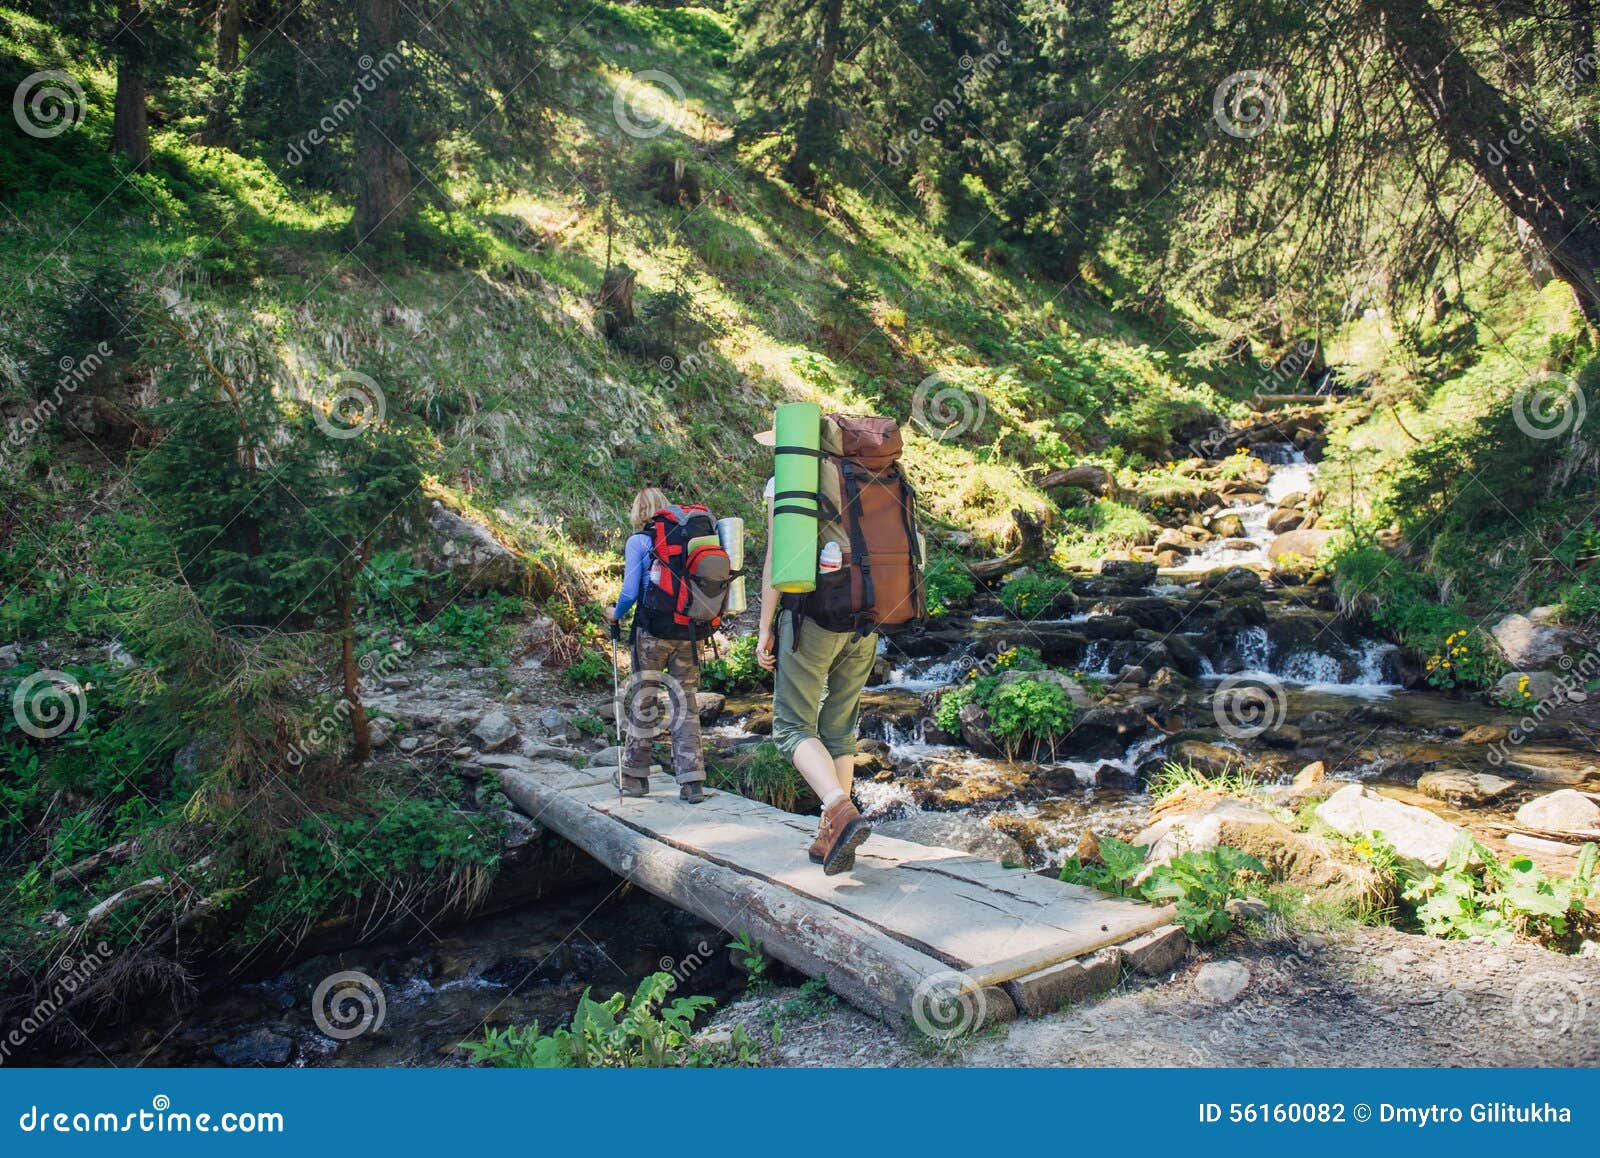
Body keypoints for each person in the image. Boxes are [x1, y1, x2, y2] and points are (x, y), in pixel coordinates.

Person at [754, 433, 876, 875]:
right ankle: (833, 837)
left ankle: (840, 811)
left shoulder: (785, 483)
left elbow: (776, 561)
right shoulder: (865, 477)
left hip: (813, 617)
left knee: (790, 727)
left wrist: (765, 627)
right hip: (867, 617)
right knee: (840, 730)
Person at [605, 487, 706, 804]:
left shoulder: (638, 542)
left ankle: (634, 777)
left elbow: (629, 592)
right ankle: (692, 783)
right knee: (685, 703)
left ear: (638, 511)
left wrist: (614, 613)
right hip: (688, 633)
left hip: (651, 632)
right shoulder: (690, 539)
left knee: (644, 701)